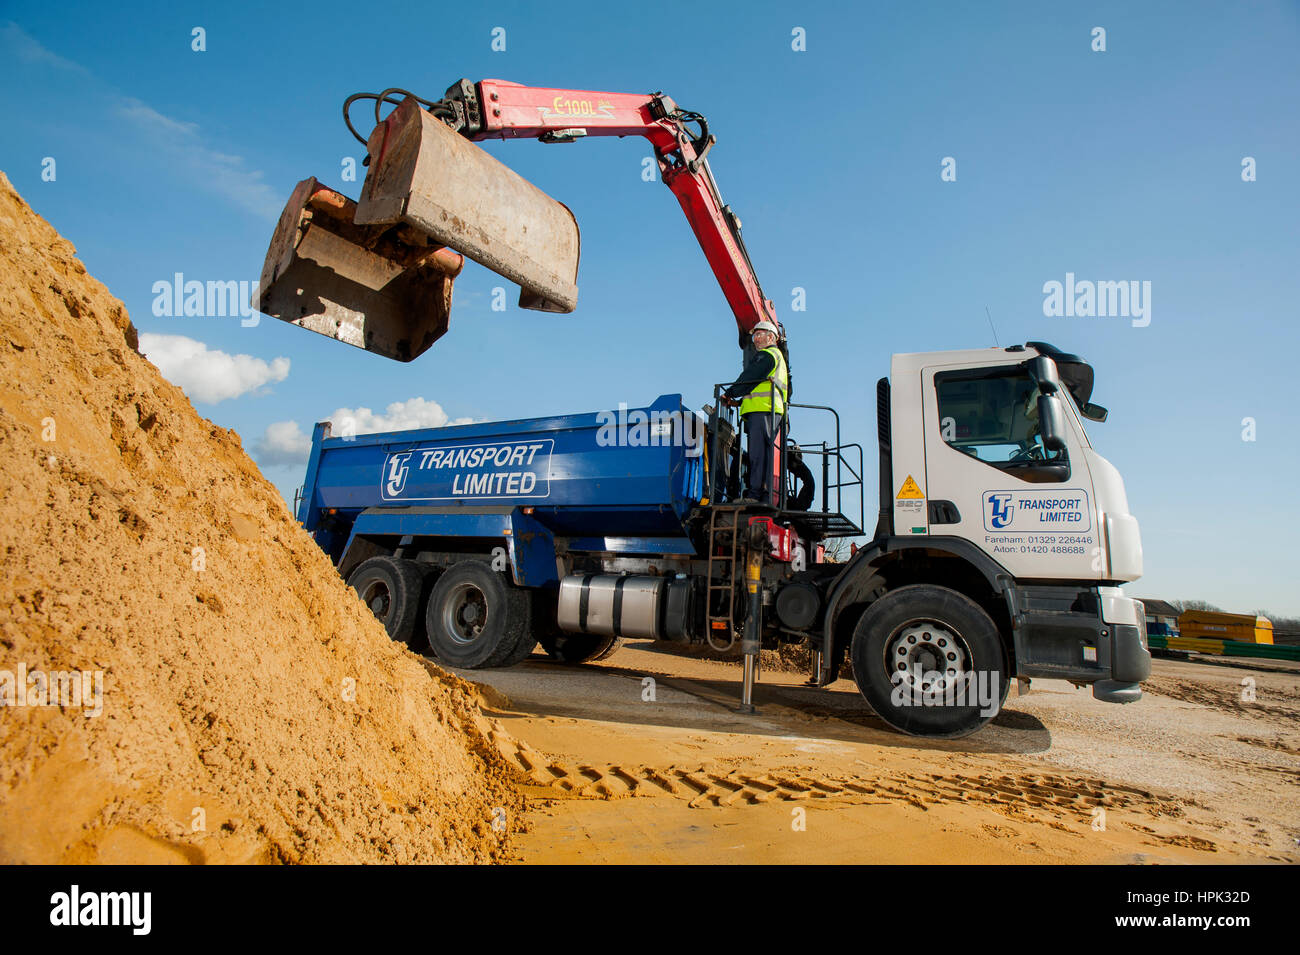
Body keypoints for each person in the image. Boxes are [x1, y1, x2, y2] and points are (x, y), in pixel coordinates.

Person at [720, 320, 788, 505]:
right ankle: (765, 495)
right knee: (765, 454)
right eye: (754, 336)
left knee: (758, 454)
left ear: (771, 337)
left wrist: (730, 393)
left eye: (759, 335)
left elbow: (750, 377)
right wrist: (739, 401)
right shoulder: (777, 357)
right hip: (767, 409)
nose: (755, 339)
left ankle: (755, 495)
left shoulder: (768, 355)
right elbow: (758, 385)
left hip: (763, 410)